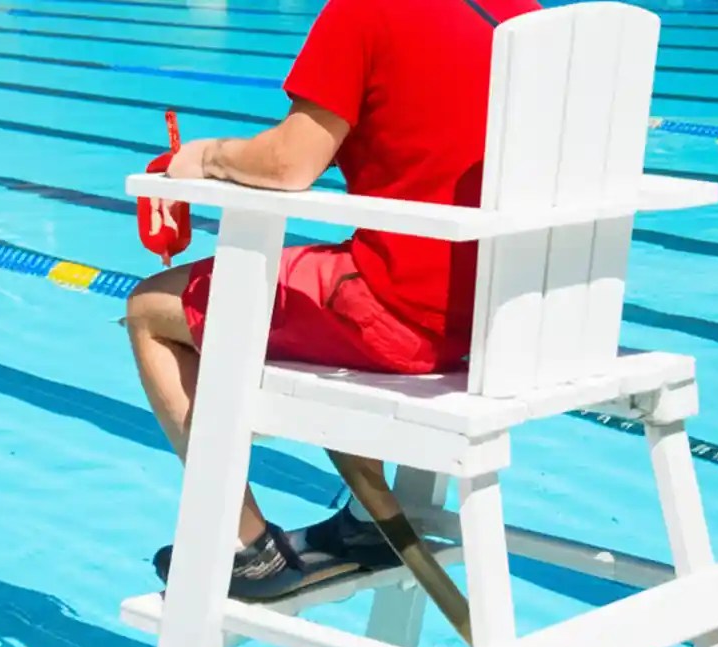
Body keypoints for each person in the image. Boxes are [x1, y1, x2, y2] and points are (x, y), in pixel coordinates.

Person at [125, 0, 541, 600]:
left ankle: (246, 549)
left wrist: (207, 156)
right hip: (498, 321)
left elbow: (290, 163)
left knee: (150, 309)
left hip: (401, 320)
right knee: (334, 262)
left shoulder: (364, 11)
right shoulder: (525, 13)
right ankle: (373, 519)